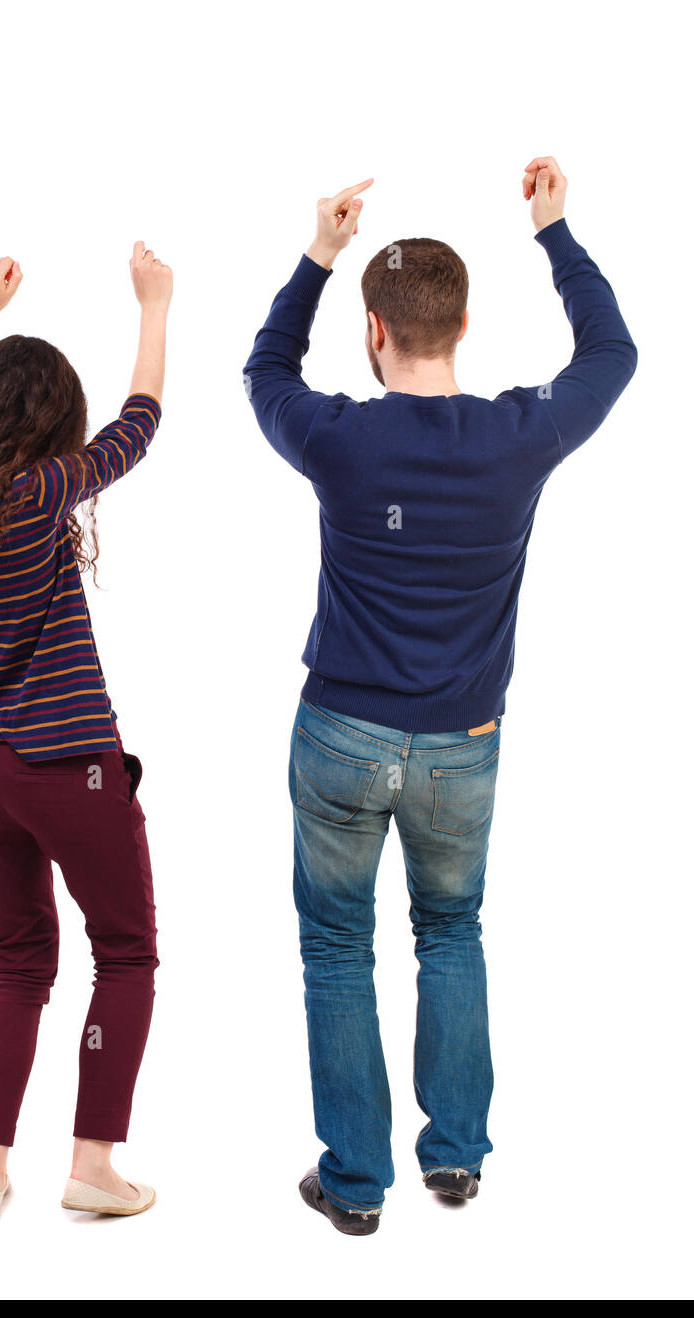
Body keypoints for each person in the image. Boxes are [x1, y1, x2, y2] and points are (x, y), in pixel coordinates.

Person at [243, 158, 636, 1235]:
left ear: (376, 331)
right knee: (451, 929)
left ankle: (357, 1184)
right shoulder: (521, 434)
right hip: (463, 740)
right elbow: (612, 352)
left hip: (339, 734)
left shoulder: (336, 436)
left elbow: (264, 367)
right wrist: (555, 231)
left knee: (336, 945)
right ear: (464, 325)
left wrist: (319, 252)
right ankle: (456, 1159)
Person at [0, 244, 172, 1224]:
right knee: (125, 953)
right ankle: (93, 1161)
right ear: (55, 423)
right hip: (70, 767)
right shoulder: (47, 488)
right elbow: (140, 426)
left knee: (18, 962)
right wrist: (156, 304)